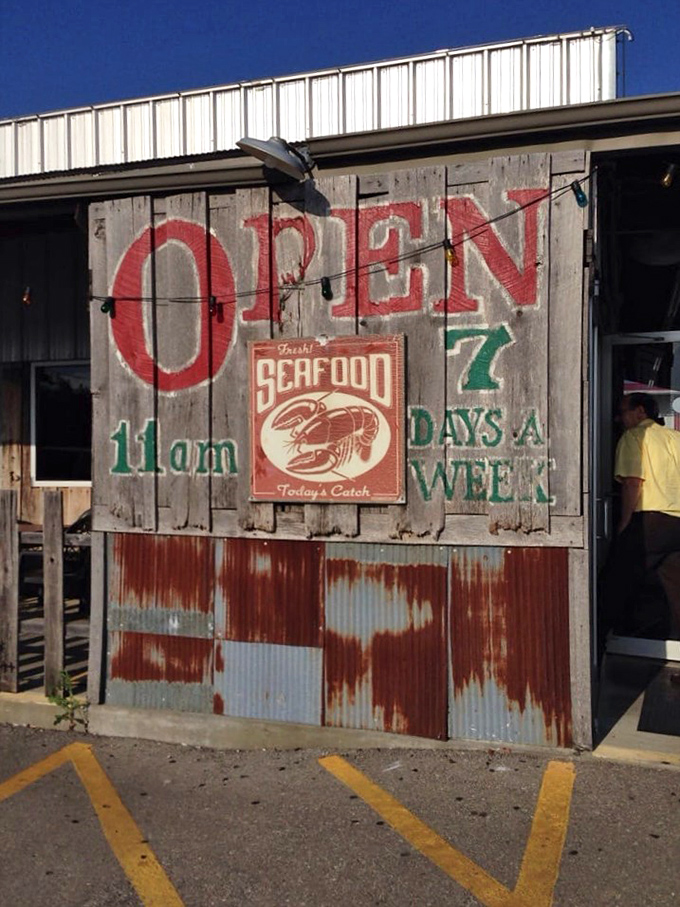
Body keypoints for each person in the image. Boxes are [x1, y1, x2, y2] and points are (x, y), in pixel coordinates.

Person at [600, 392, 680, 648]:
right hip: (677, 520)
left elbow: (633, 482)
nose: (619, 418)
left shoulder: (634, 436)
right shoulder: (675, 438)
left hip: (651, 518)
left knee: (616, 581)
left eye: (623, 412)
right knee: (674, 586)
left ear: (641, 411)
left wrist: (624, 523)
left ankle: (604, 644)